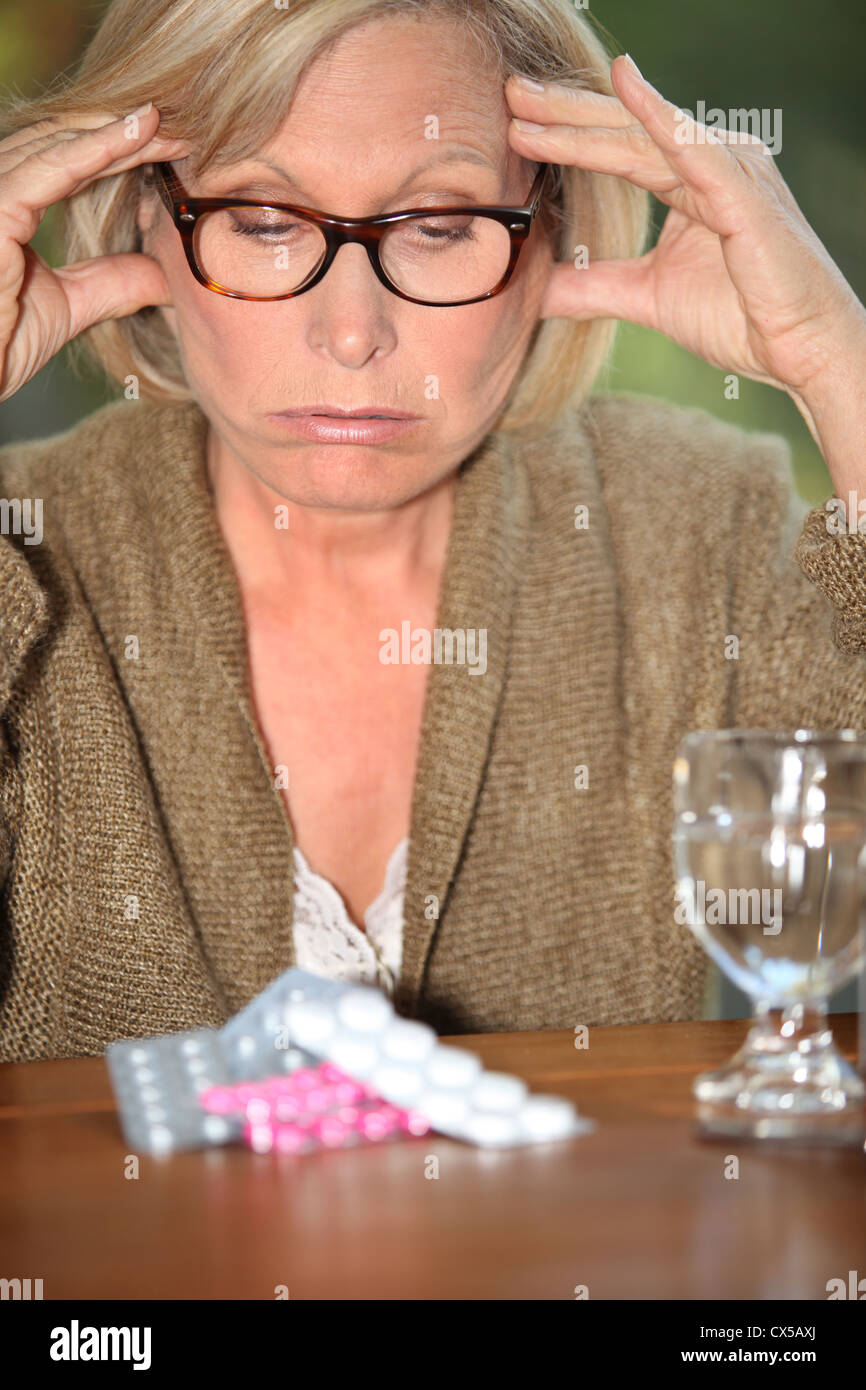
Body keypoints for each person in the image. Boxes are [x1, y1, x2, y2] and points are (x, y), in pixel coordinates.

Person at [1, 0, 865, 1063]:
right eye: (265, 221)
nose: (354, 334)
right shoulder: (21, 556)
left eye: (437, 226)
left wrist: (837, 363)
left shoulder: (697, 528)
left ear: (550, 226)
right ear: (147, 217)